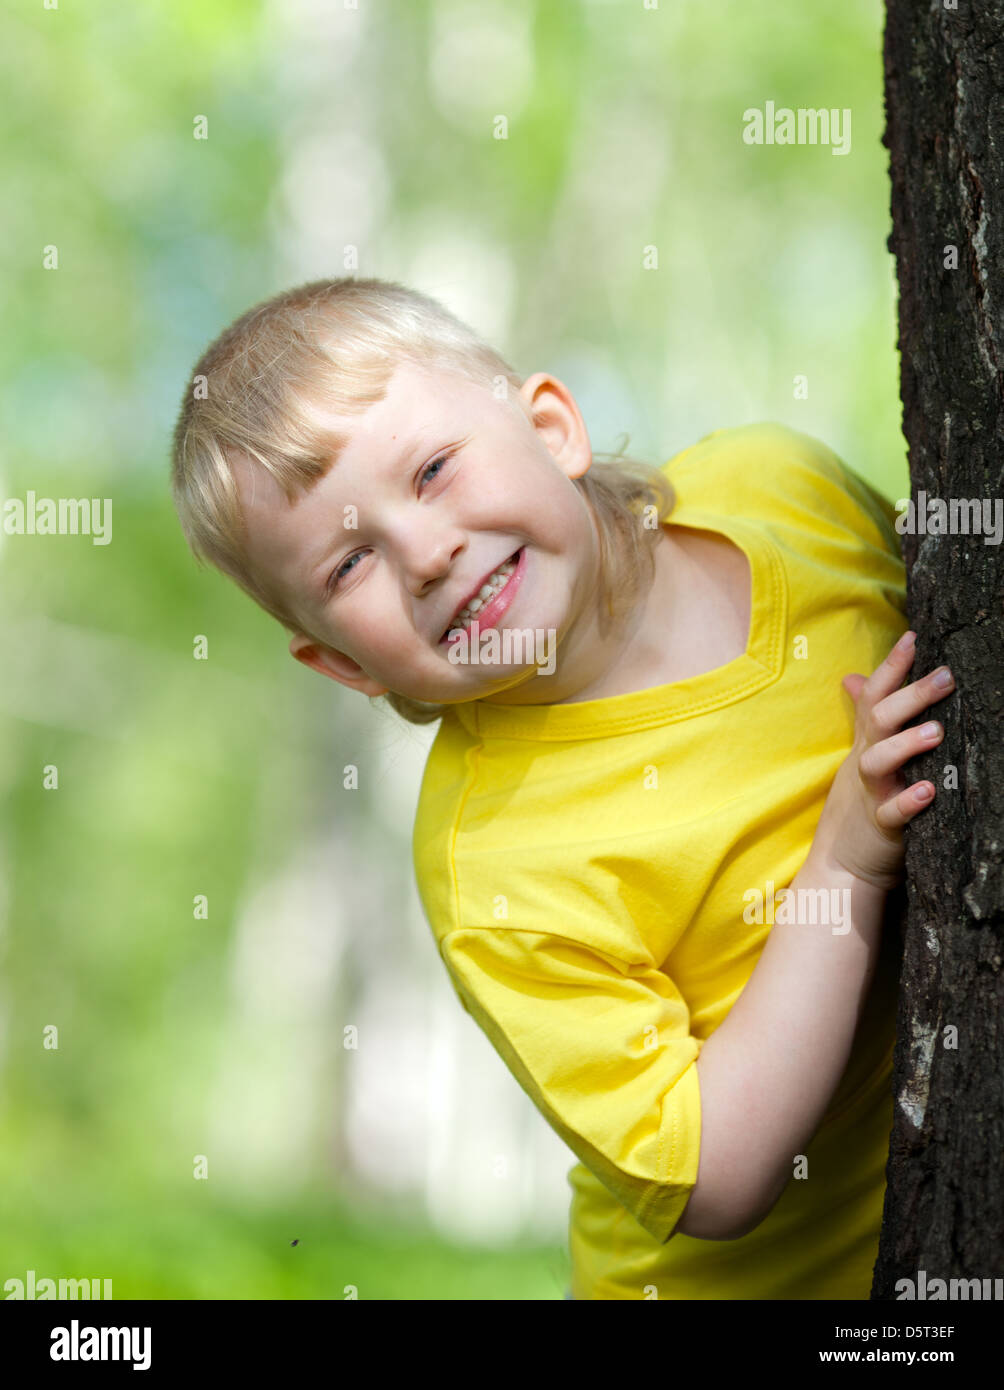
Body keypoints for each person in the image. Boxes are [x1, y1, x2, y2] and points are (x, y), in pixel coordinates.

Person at [170, 276, 956, 1300]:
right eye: (348, 562)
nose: (424, 552)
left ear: (549, 426)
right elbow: (716, 1173)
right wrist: (843, 863)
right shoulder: (495, 859)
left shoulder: (782, 489)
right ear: (345, 666)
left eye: (433, 470)